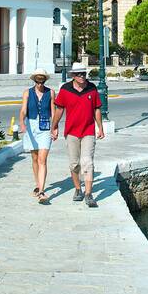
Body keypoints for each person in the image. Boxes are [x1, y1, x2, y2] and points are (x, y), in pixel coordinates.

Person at [52, 62, 105, 209]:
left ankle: (88, 194)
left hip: (88, 131)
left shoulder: (92, 88)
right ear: (73, 76)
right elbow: (59, 110)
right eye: (78, 74)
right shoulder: (66, 89)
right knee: (74, 163)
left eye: (83, 73)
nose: (82, 76)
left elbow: (97, 109)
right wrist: (54, 126)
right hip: (71, 132)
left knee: (87, 162)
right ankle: (77, 189)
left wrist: (100, 127)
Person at [19, 70, 54, 204]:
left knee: (42, 159)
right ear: (34, 81)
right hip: (31, 126)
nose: (40, 84)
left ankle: (41, 191)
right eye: (38, 82)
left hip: (45, 126)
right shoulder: (27, 92)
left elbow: (53, 110)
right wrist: (22, 123)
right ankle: (38, 184)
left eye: (42, 81)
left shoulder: (50, 92)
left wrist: (54, 127)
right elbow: (23, 110)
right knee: (34, 157)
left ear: (45, 81)